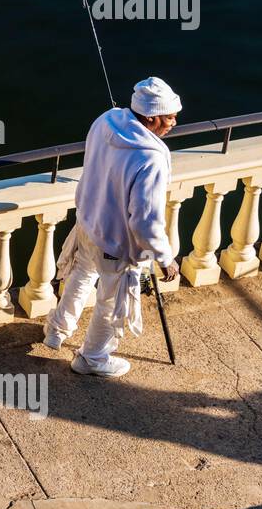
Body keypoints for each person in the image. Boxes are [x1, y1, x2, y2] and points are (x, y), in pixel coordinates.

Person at [42, 77, 182, 377]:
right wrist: (165, 257)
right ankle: (92, 358)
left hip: (88, 224)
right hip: (115, 243)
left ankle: (56, 330)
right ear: (150, 117)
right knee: (109, 303)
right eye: (169, 117)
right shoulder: (152, 159)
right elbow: (146, 220)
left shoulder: (106, 120)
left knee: (81, 275)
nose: (174, 122)